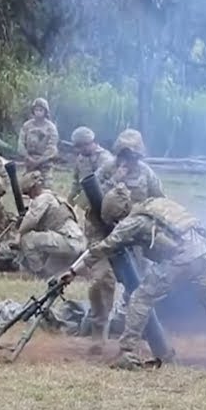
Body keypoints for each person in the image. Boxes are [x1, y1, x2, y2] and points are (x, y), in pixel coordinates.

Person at [57, 186, 206, 370]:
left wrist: (74, 271)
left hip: (179, 261)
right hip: (200, 254)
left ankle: (126, 351)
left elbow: (103, 247)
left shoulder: (133, 222)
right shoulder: (154, 204)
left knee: (140, 299)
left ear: (119, 215)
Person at [67, 127, 117, 337]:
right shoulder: (81, 160)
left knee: (107, 276)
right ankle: (96, 324)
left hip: (109, 221)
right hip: (93, 222)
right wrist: (69, 202)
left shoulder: (106, 160)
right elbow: (76, 183)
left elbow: (107, 190)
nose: (80, 150)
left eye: (81, 146)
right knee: (98, 272)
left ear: (90, 142)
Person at [17, 187, 87, 279]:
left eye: (27, 193)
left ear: (33, 189)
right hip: (75, 243)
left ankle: (38, 273)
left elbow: (30, 220)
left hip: (68, 241)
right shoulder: (56, 198)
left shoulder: (44, 198)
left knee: (27, 239)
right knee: (50, 272)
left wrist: (18, 234)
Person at [94, 128, 165, 204]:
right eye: (123, 155)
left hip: (138, 214)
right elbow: (92, 197)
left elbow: (160, 199)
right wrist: (114, 180)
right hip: (108, 214)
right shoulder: (107, 168)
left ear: (138, 157)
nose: (126, 161)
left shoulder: (146, 172)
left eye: (131, 157)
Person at [18, 97, 59, 192]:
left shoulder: (51, 128)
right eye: (36, 110)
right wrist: (28, 157)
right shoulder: (27, 126)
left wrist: (39, 160)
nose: (38, 112)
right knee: (27, 188)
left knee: (46, 189)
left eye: (41, 110)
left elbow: (52, 148)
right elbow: (20, 145)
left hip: (45, 164)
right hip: (29, 163)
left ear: (45, 112)